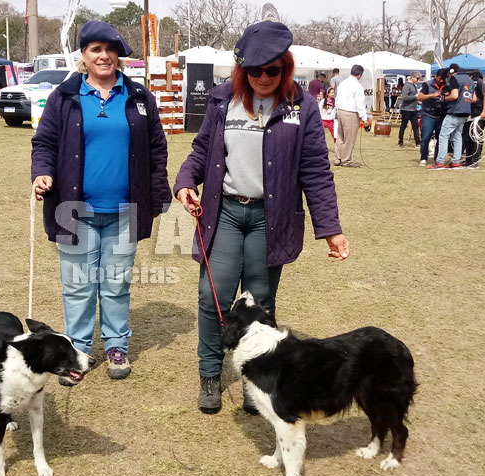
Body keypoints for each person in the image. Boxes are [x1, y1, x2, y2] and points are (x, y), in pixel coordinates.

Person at [173, 21, 350, 414]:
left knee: (261, 299)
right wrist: (186, 181)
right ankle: (210, 373)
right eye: (256, 71)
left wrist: (331, 229)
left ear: (285, 67)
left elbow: (316, 171)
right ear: (242, 70)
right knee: (212, 296)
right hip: (225, 214)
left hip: (271, 219)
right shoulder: (222, 101)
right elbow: (202, 151)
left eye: (273, 69)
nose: (265, 77)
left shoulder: (301, 107)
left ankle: (262, 374)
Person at [31, 20, 171, 382]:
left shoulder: (139, 97)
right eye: (96, 49)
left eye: (110, 49)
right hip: (73, 209)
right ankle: (76, 350)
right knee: (78, 283)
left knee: (116, 282)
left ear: (119, 56)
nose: (104, 55)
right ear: (84, 55)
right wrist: (42, 172)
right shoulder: (65, 96)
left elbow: (157, 150)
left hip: (125, 210)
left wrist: (158, 196)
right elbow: (44, 143)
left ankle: (116, 346)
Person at [435, 64, 475, 169]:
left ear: (452, 72)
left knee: (443, 136)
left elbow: (454, 96)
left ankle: (440, 162)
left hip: (455, 112)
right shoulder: (470, 80)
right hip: (466, 112)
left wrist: (443, 98)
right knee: (457, 137)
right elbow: (474, 99)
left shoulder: (454, 79)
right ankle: (456, 162)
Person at [334, 64, 368, 167]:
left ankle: (338, 158)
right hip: (350, 113)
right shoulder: (357, 86)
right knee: (349, 138)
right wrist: (364, 118)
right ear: (360, 75)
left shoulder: (342, 84)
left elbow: (337, 98)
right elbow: (360, 103)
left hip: (340, 111)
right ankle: (346, 160)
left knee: (340, 136)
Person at [417, 69, 447, 167]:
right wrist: (432, 95)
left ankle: (438, 158)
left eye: (443, 79)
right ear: (436, 76)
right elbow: (419, 97)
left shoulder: (447, 85)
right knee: (425, 137)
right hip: (428, 115)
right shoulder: (428, 84)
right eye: (440, 79)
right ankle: (423, 158)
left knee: (440, 138)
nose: (442, 81)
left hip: (441, 115)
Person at [461, 71, 485, 168]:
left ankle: (474, 160)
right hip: (470, 112)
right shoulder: (472, 82)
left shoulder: (478, 82)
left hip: (478, 113)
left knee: (476, 137)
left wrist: (484, 111)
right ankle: (469, 160)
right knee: (468, 137)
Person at [397, 71, 421, 148]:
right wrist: (415, 96)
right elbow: (405, 97)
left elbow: (414, 96)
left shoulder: (414, 86)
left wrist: (418, 102)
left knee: (415, 126)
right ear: (412, 77)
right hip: (406, 110)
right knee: (403, 126)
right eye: (417, 78)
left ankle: (418, 142)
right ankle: (400, 141)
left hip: (413, 109)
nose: (418, 80)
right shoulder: (407, 86)